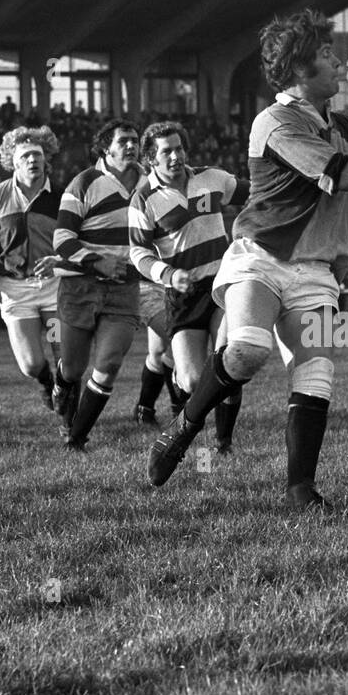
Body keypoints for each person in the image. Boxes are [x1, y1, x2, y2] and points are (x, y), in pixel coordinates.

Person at [146, 8, 348, 509]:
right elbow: (339, 173)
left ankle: (300, 489)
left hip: (317, 271)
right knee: (249, 350)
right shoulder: (275, 122)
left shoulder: (344, 125)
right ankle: (182, 428)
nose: (341, 61)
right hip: (261, 258)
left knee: (316, 374)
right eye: (327, 54)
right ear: (300, 69)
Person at [130, 120, 249, 452]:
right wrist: (168, 274)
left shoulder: (212, 178)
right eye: (166, 151)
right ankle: (178, 390)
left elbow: (259, 193)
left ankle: (223, 444)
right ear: (150, 159)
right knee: (193, 380)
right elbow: (137, 253)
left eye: (179, 148)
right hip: (183, 294)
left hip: (223, 284)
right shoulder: (143, 199)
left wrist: (249, 228)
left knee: (230, 360)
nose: (175, 156)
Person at [40, 118, 146, 451]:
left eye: (135, 139)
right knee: (73, 368)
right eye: (123, 140)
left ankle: (77, 437)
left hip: (124, 289)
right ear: (105, 147)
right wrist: (97, 260)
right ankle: (61, 383)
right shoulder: (84, 182)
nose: (131, 145)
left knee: (110, 363)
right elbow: (62, 238)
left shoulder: (151, 182)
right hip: (80, 287)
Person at [0, 126, 63, 414]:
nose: (32, 160)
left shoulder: (63, 197)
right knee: (31, 364)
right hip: (15, 290)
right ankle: (47, 382)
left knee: (63, 353)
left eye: (37, 154)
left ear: (46, 158)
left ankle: (68, 417)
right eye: (24, 156)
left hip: (54, 289)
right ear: (13, 161)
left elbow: (77, 240)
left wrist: (63, 264)